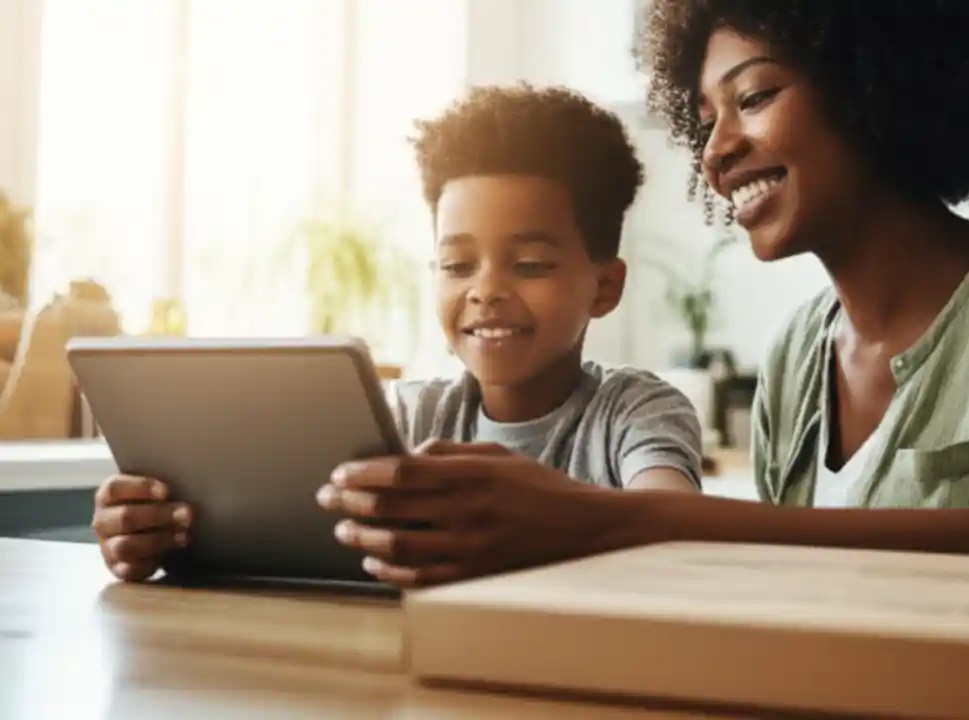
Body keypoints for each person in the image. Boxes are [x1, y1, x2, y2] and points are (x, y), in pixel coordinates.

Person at [318, 0, 969, 585]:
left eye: (753, 97)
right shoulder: (799, 354)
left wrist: (605, 521)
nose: (716, 150)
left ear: (878, 83)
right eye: (705, 117)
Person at [92, 85, 701, 583]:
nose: (484, 290)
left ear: (604, 287)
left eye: (532, 264)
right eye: (457, 266)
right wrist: (159, 532)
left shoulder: (634, 412)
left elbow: (680, 521)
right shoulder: (407, 419)